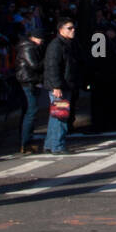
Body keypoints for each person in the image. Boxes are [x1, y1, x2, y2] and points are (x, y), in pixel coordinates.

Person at [42, 15, 80, 153]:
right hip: (60, 87)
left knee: (56, 115)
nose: (73, 30)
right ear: (61, 30)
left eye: (74, 27)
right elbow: (53, 67)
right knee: (61, 115)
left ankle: (50, 144)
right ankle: (57, 145)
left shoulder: (67, 44)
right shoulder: (56, 46)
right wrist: (56, 86)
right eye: (69, 28)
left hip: (65, 84)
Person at [14, 26, 44, 153]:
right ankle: (25, 142)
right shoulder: (28, 47)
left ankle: (25, 141)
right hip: (28, 81)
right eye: (39, 38)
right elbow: (34, 65)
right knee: (31, 112)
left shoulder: (28, 46)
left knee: (29, 111)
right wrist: (46, 61)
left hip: (28, 81)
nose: (41, 41)